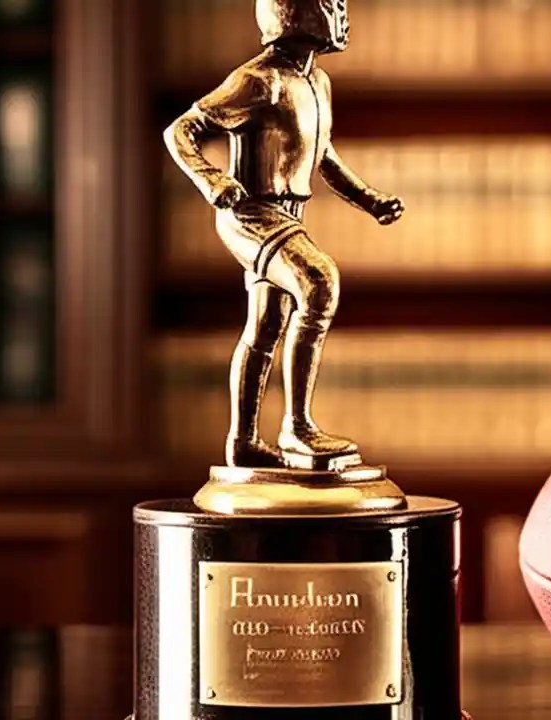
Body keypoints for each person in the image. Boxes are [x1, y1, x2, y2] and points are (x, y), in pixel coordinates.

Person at [164, 0, 404, 469]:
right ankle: (297, 428)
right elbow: (182, 131)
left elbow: (323, 157)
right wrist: (212, 180)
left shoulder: (318, 83)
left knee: (265, 326)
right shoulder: (260, 81)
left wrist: (370, 200)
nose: (343, 15)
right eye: (333, 5)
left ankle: (244, 441)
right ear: (295, 13)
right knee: (319, 283)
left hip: (289, 215)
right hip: (251, 213)